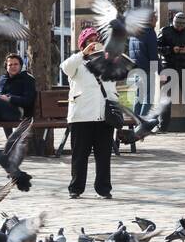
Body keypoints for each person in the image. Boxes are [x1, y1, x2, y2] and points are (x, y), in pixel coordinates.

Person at [61, 27, 119, 199]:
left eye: (96, 40)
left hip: (104, 116)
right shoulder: (76, 63)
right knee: (80, 156)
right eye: (89, 41)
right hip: (81, 116)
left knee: (104, 156)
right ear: (82, 44)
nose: (93, 44)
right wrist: (82, 54)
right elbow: (65, 67)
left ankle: (103, 188)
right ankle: (76, 188)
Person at [157, 10, 185, 132]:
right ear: (174, 23)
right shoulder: (165, 31)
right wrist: (171, 49)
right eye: (178, 25)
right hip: (169, 66)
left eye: (182, 26)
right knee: (166, 98)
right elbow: (158, 47)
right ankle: (162, 126)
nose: (180, 28)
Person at [128, 11, 157, 117]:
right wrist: (160, 71)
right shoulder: (150, 32)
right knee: (149, 97)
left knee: (139, 96)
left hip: (136, 69)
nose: (156, 20)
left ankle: (135, 121)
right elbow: (153, 54)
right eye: (155, 18)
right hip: (147, 69)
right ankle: (142, 122)